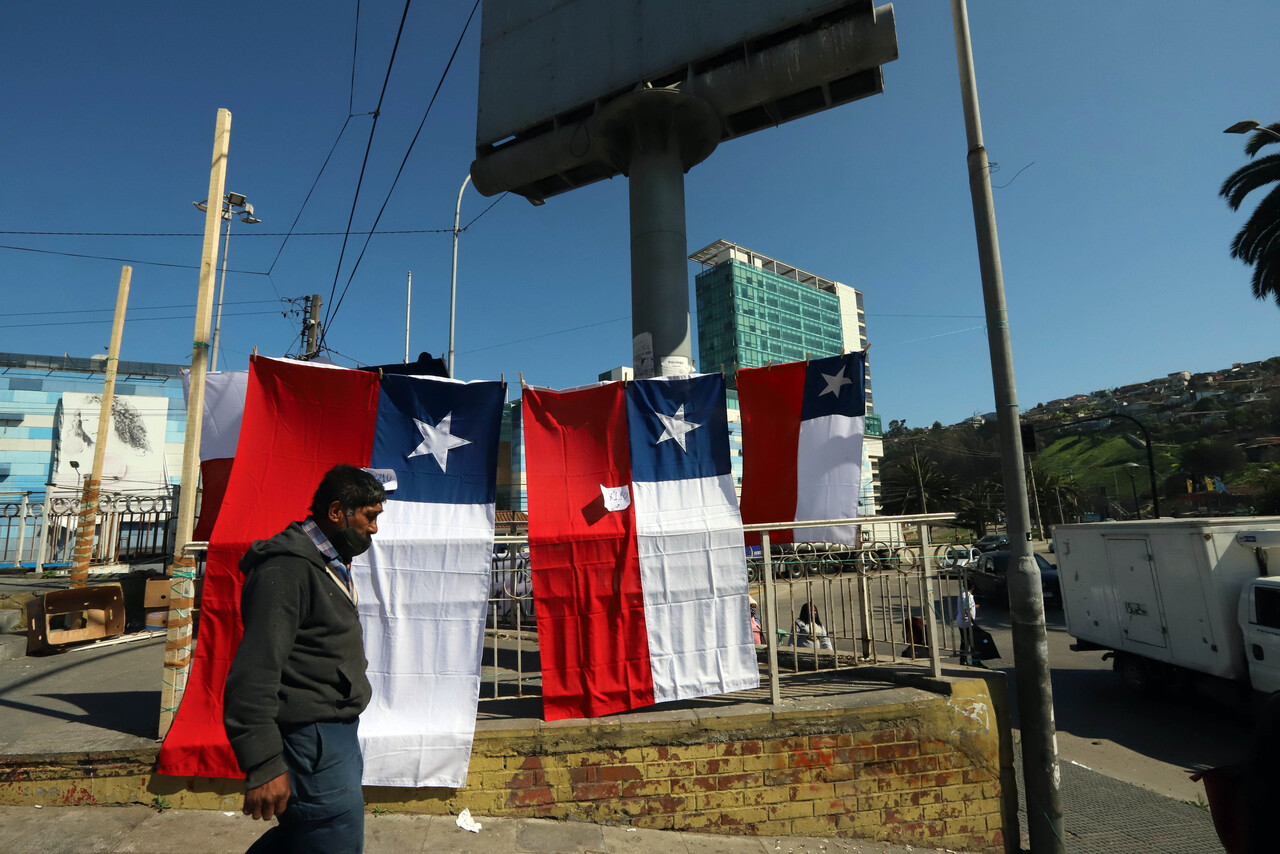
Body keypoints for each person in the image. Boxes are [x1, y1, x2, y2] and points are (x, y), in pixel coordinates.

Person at [223, 464, 386, 854]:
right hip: (310, 741)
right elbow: (254, 672)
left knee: (307, 837)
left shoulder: (326, 561)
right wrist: (264, 763)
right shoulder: (287, 570)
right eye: (369, 517)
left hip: (332, 736)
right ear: (336, 512)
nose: (374, 529)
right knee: (331, 839)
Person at [955, 578, 985, 667]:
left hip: (961, 621)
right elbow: (967, 610)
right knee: (973, 642)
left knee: (965, 641)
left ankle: (963, 660)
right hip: (967, 622)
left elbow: (965, 606)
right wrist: (974, 624)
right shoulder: (968, 596)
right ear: (972, 587)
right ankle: (975, 661)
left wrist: (974, 606)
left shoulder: (962, 594)